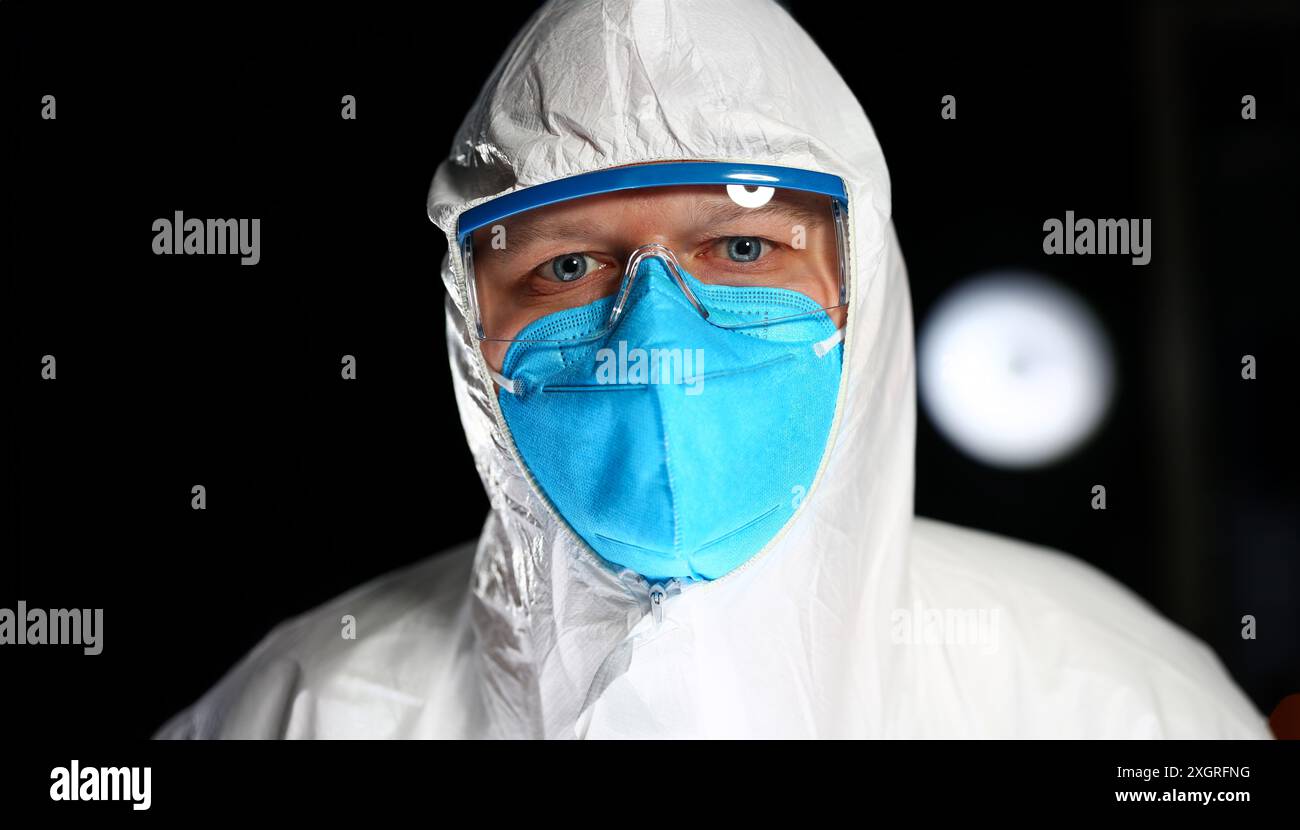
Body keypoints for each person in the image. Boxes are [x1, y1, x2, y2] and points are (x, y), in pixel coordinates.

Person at [156, 0, 1270, 739]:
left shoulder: (1106, 698)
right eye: (568, 264)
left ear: (860, 286)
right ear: (469, 324)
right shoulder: (312, 710)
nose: (654, 334)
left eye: (741, 248)